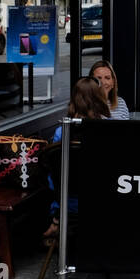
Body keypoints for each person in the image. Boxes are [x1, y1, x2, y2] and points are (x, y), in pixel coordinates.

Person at [43, 77, 110, 240]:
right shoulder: (108, 130)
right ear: (98, 97)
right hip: (102, 202)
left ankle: (57, 222)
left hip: (66, 202)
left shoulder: (61, 132)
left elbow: (54, 178)